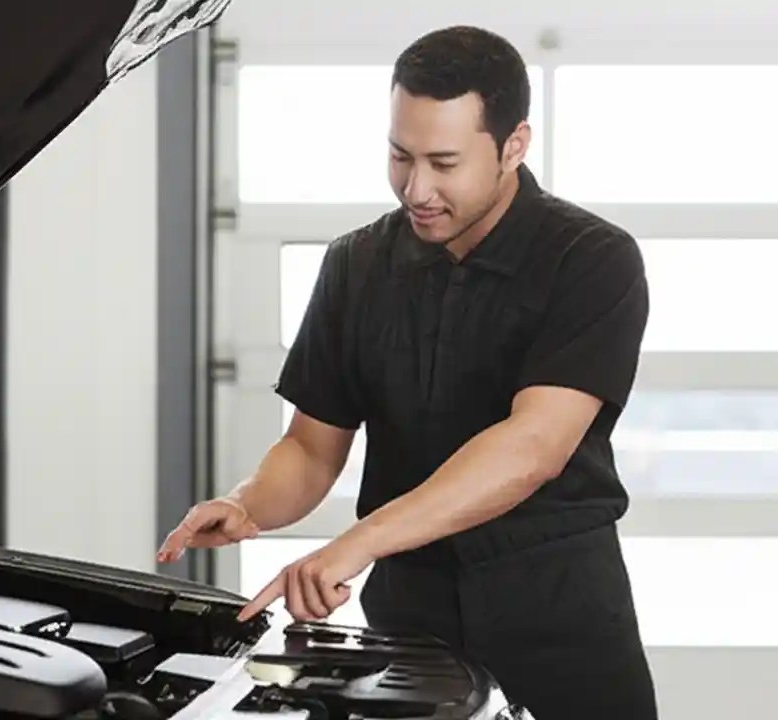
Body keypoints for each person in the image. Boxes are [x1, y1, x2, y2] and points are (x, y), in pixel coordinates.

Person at [156, 25, 657, 720]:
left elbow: (531, 448)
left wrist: (353, 546)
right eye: (400, 156)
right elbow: (309, 447)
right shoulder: (354, 266)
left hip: (560, 610)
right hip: (410, 620)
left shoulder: (591, 260)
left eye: (445, 164)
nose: (416, 189)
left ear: (514, 145)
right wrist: (251, 504)